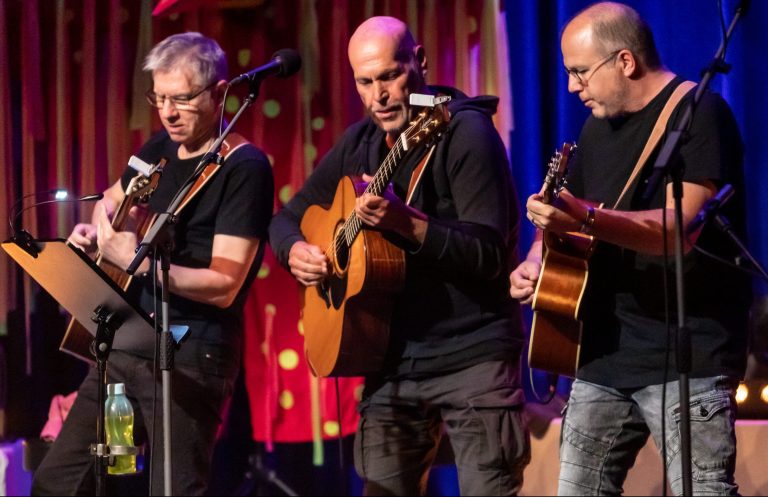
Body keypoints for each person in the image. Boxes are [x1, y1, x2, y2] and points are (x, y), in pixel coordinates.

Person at [269, 16, 530, 496]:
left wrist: (405, 223)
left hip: (471, 357)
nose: (379, 96)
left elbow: (491, 254)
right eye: (365, 82)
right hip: (389, 362)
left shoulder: (465, 132)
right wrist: (295, 251)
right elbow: (285, 218)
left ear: (420, 62)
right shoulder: (360, 143)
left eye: (389, 76)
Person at [509, 2, 751, 495]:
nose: (572, 87)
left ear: (624, 61)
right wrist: (537, 257)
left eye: (580, 72)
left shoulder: (700, 113)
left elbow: (678, 230)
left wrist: (587, 218)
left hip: (688, 356)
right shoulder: (596, 126)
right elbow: (566, 211)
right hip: (603, 353)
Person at [32, 32, 274, 495]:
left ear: (220, 93)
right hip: (128, 343)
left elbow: (225, 284)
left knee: (170, 489)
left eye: (180, 99)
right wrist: (97, 233)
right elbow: (110, 200)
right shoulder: (157, 149)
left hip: (192, 356)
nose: (167, 111)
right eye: (159, 98)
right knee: (59, 482)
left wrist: (136, 263)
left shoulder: (245, 168)